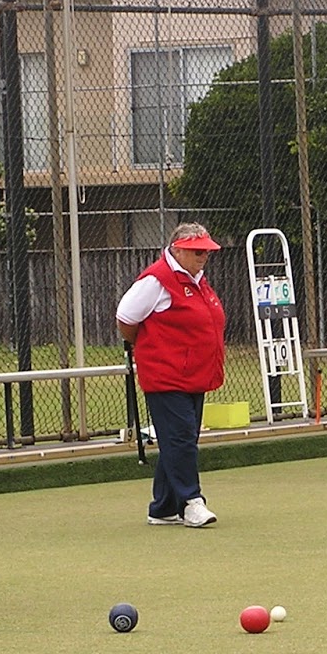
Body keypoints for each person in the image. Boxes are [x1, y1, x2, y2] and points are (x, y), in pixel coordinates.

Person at [115, 221, 227, 528]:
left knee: (181, 437)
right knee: (180, 439)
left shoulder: (198, 280)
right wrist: (148, 344)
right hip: (165, 376)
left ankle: (163, 508)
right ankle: (192, 501)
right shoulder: (156, 280)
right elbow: (126, 318)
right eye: (196, 251)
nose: (203, 256)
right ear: (176, 250)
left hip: (194, 375)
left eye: (206, 251)